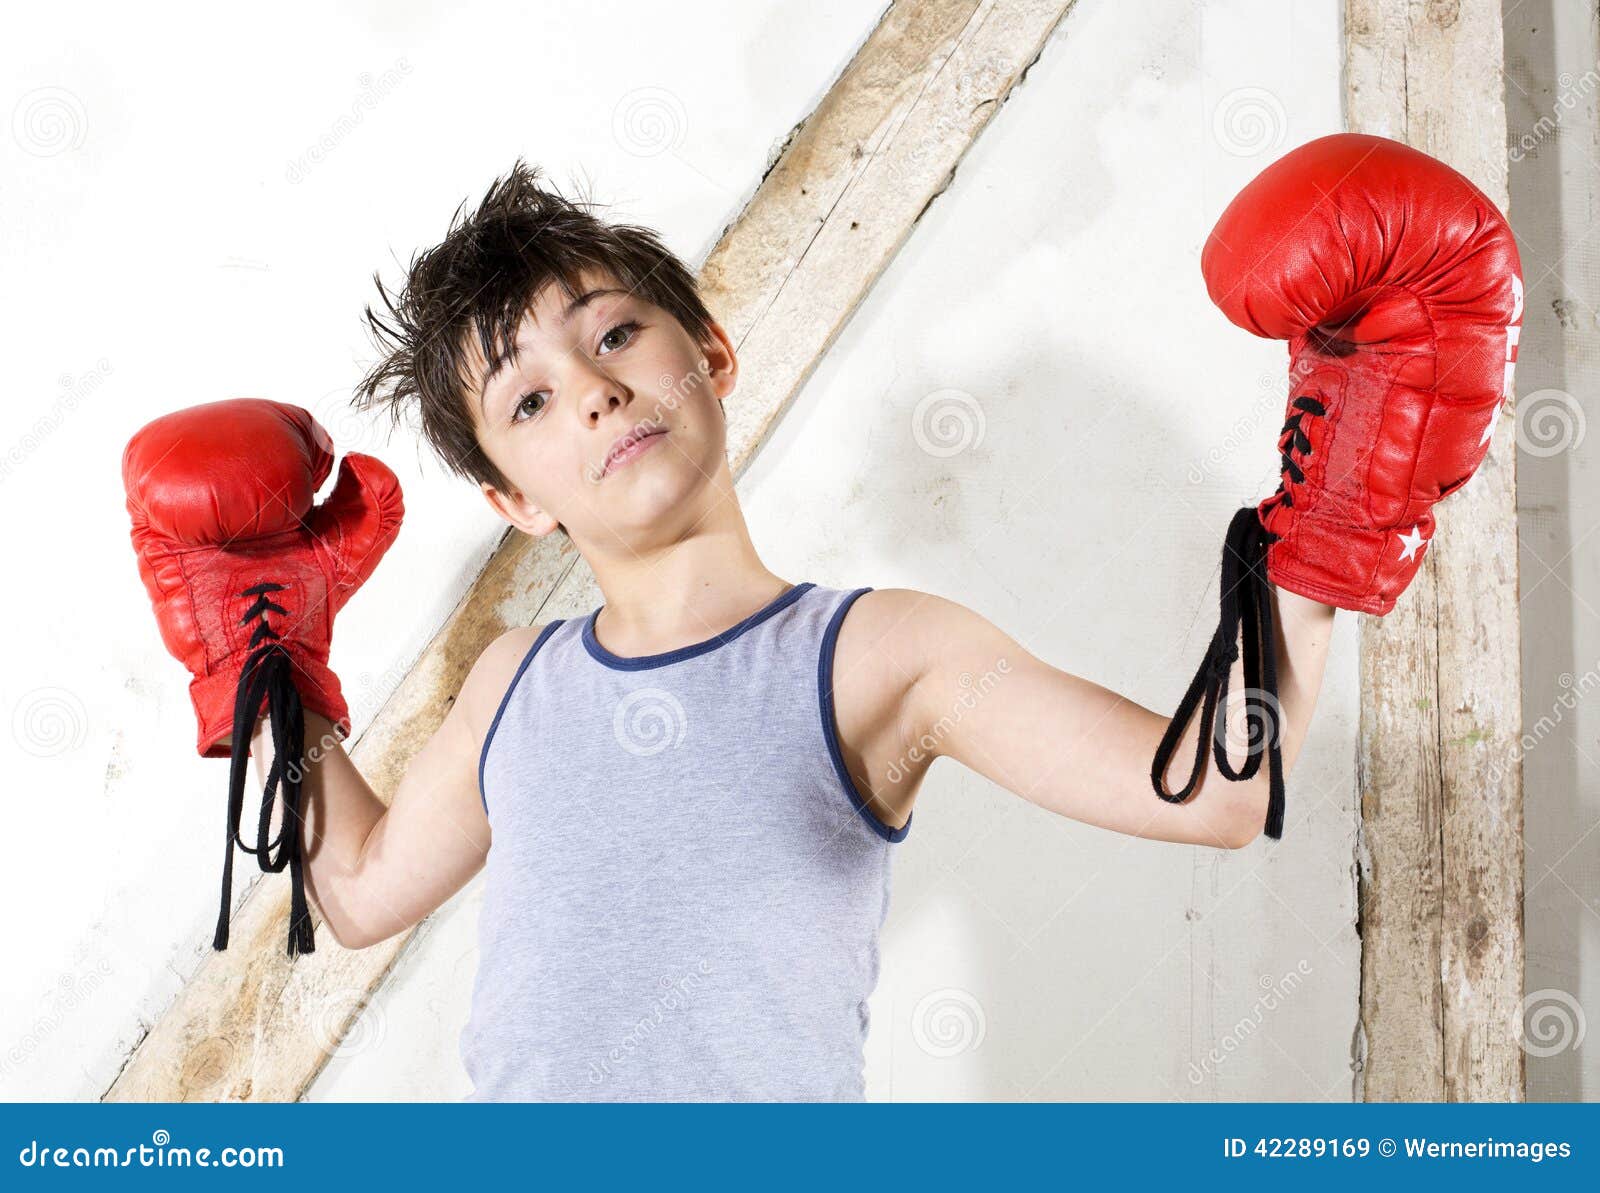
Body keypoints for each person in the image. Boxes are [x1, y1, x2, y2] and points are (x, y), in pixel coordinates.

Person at [121, 135, 1520, 1101]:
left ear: (711, 352)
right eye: (530, 399)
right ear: (514, 500)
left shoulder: (882, 653)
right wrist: (262, 656)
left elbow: (1218, 791)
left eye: (615, 334)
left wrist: (1340, 511)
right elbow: (359, 891)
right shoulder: (513, 682)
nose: (594, 390)